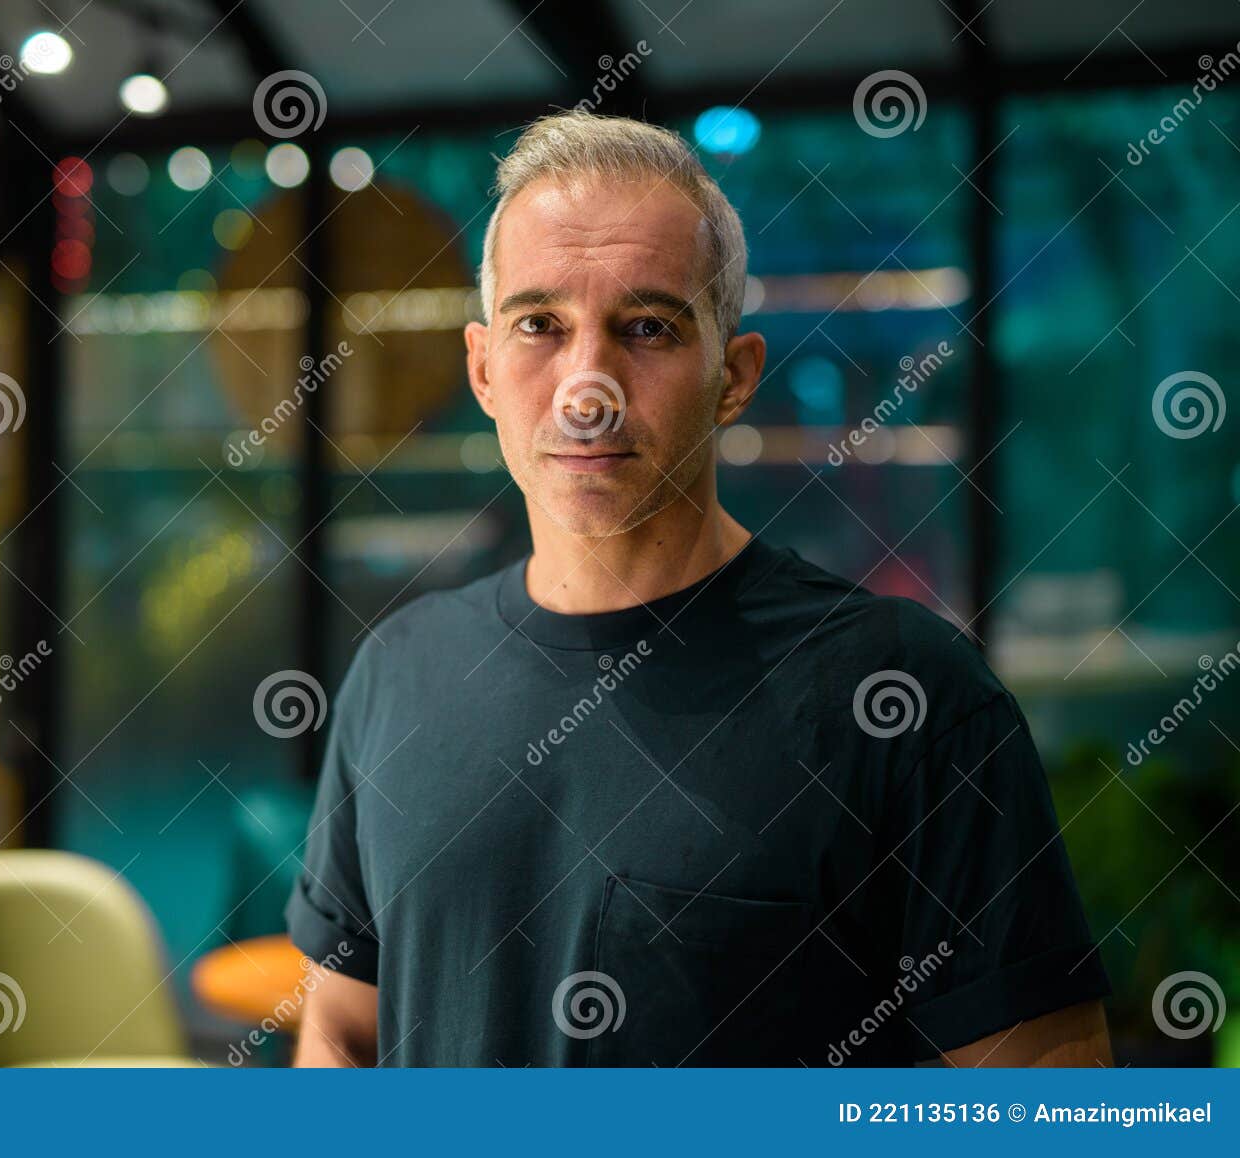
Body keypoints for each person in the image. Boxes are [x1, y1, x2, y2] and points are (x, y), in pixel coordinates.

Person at [285, 110, 1112, 1067]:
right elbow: (342, 1028)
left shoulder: (910, 699)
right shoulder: (399, 670)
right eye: (539, 326)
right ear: (481, 367)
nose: (584, 387)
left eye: (646, 327)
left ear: (735, 376)